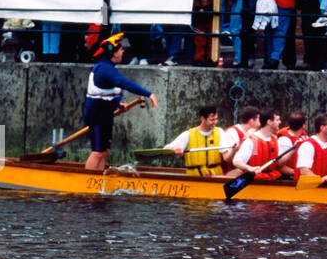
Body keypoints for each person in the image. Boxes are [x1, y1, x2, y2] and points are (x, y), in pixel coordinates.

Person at [83, 33, 157, 171]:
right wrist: (148, 93)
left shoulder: (109, 68)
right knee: (98, 152)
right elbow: (124, 83)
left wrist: (117, 104)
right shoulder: (105, 69)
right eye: (121, 49)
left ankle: (98, 182)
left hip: (106, 114)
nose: (123, 51)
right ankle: (88, 182)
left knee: (105, 152)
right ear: (114, 54)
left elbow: (105, 92)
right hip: (97, 116)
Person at [164, 105, 227, 177]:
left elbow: (227, 155)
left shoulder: (220, 132)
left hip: (216, 177)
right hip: (195, 178)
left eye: (216, 119)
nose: (215, 122)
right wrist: (173, 149)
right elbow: (166, 149)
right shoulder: (188, 134)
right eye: (212, 120)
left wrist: (234, 149)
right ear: (203, 119)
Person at [233, 109, 283, 180]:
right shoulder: (254, 141)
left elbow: (279, 163)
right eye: (277, 120)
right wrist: (249, 168)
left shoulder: (275, 140)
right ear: (269, 122)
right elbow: (237, 161)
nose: (280, 122)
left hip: (271, 180)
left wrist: (294, 148)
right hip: (255, 181)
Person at [294, 113, 327, 185]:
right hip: (308, 191)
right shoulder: (307, 145)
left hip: (326, 190)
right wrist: (320, 180)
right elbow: (304, 170)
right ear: (322, 128)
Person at [218, 106, 262, 176]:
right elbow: (226, 159)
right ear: (251, 121)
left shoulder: (255, 134)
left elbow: (255, 154)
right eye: (259, 120)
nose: (261, 123)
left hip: (250, 170)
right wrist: (239, 145)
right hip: (232, 172)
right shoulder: (231, 132)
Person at [276, 112, 307, 179]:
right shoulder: (284, 140)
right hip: (288, 178)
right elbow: (279, 164)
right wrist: (295, 172)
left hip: (302, 175)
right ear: (304, 125)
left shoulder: (305, 137)